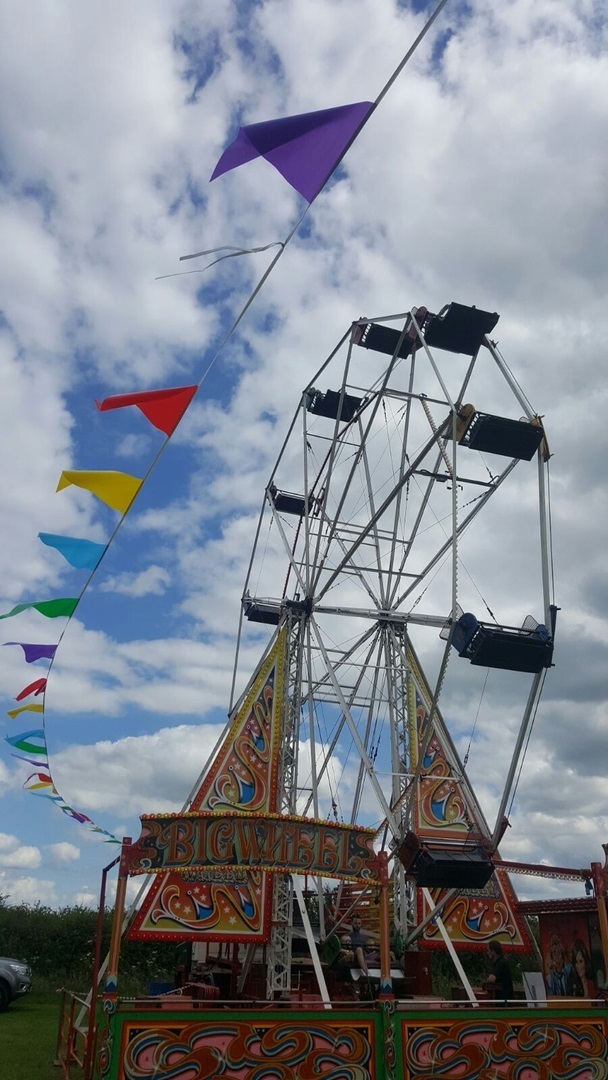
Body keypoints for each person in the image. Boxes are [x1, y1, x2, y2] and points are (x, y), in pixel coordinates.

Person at [486, 938, 513, 1006]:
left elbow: (492, 979)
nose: (487, 953)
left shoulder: (501, 963)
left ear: (493, 951)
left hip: (504, 1000)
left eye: (488, 950)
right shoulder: (497, 963)